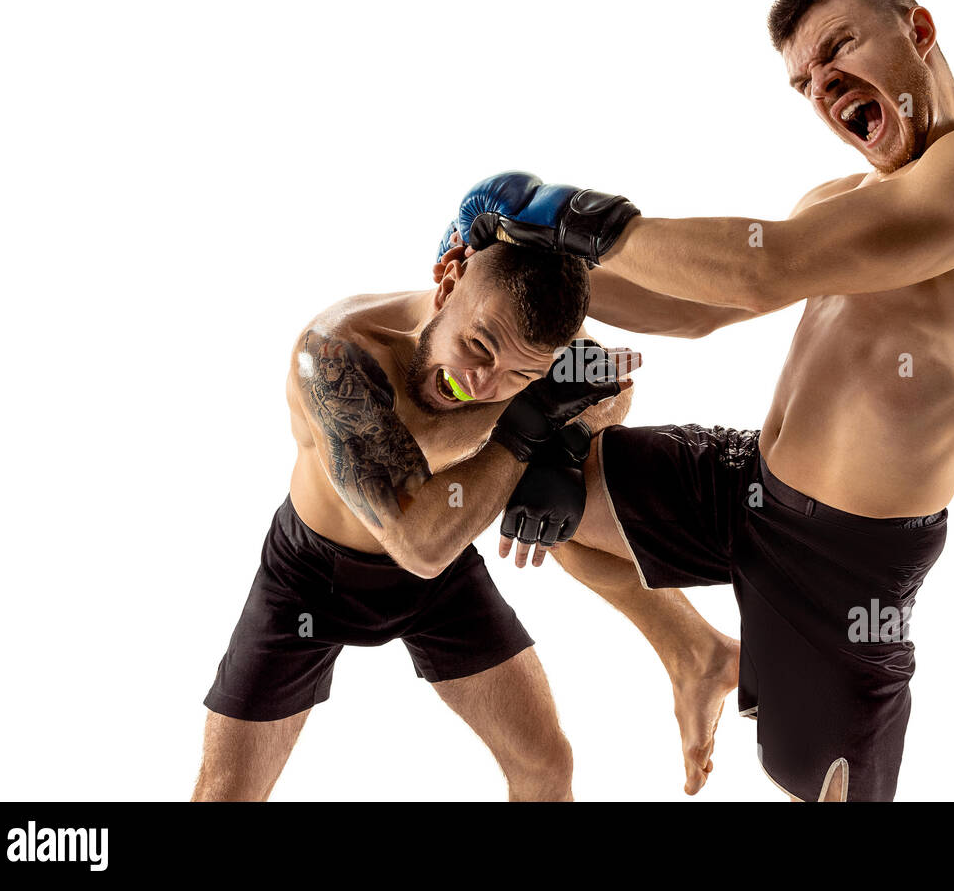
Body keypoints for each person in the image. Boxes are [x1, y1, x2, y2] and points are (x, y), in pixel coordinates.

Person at [444, 0, 954, 801]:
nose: (824, 85)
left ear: (918, 31)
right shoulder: (842, 198)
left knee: (821, 786)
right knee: (533, 483)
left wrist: (567, 212)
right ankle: (695, 653)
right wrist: (522, 261)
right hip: (748, 484)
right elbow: (697, 307)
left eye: (840, 47)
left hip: (847, 561)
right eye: (805, 80)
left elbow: (767, 269)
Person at [193, 240, 639, 801]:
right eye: (477, 346)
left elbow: (612, 385)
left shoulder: (529, 341)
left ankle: (696, 655)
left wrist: (566, 449)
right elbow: (419, 545)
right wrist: (527, 428)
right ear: (449, 284)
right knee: (225, 795)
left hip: (441, 577)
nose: (482, 382)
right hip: (311, 579)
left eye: (520, 375)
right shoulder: (335, 353)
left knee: (547, 763)